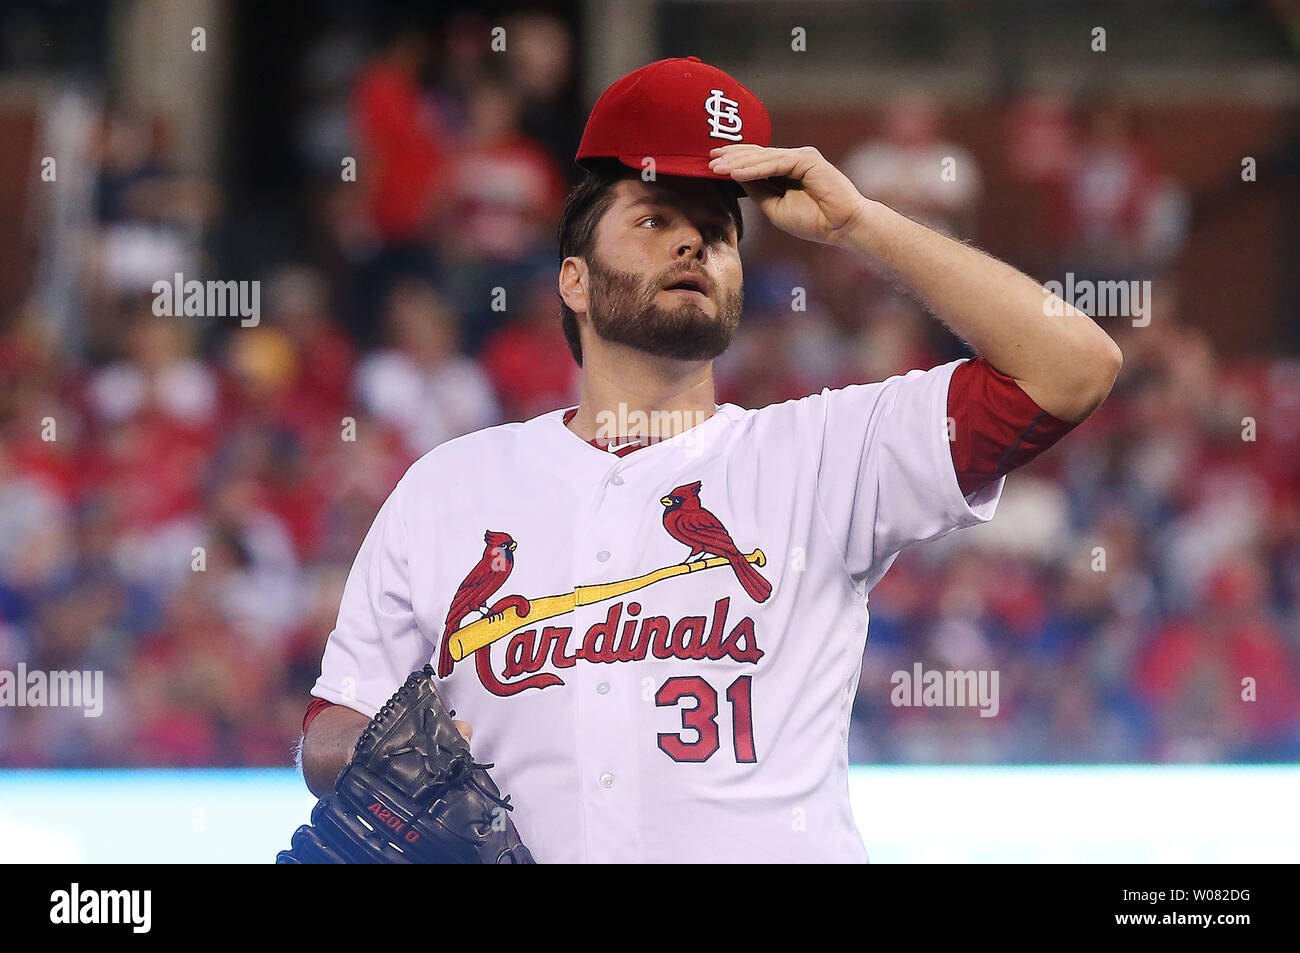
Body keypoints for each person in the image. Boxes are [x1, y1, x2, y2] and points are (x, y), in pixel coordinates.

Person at [298, 57, 1122, 863]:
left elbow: (1073, 367)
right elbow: (328, 730)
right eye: (655, 219)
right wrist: (382, 747)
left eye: (719, 231)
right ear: (575, 281)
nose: (693, 240)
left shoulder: (823, 451)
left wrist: (859, 224)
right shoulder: (452, 486)